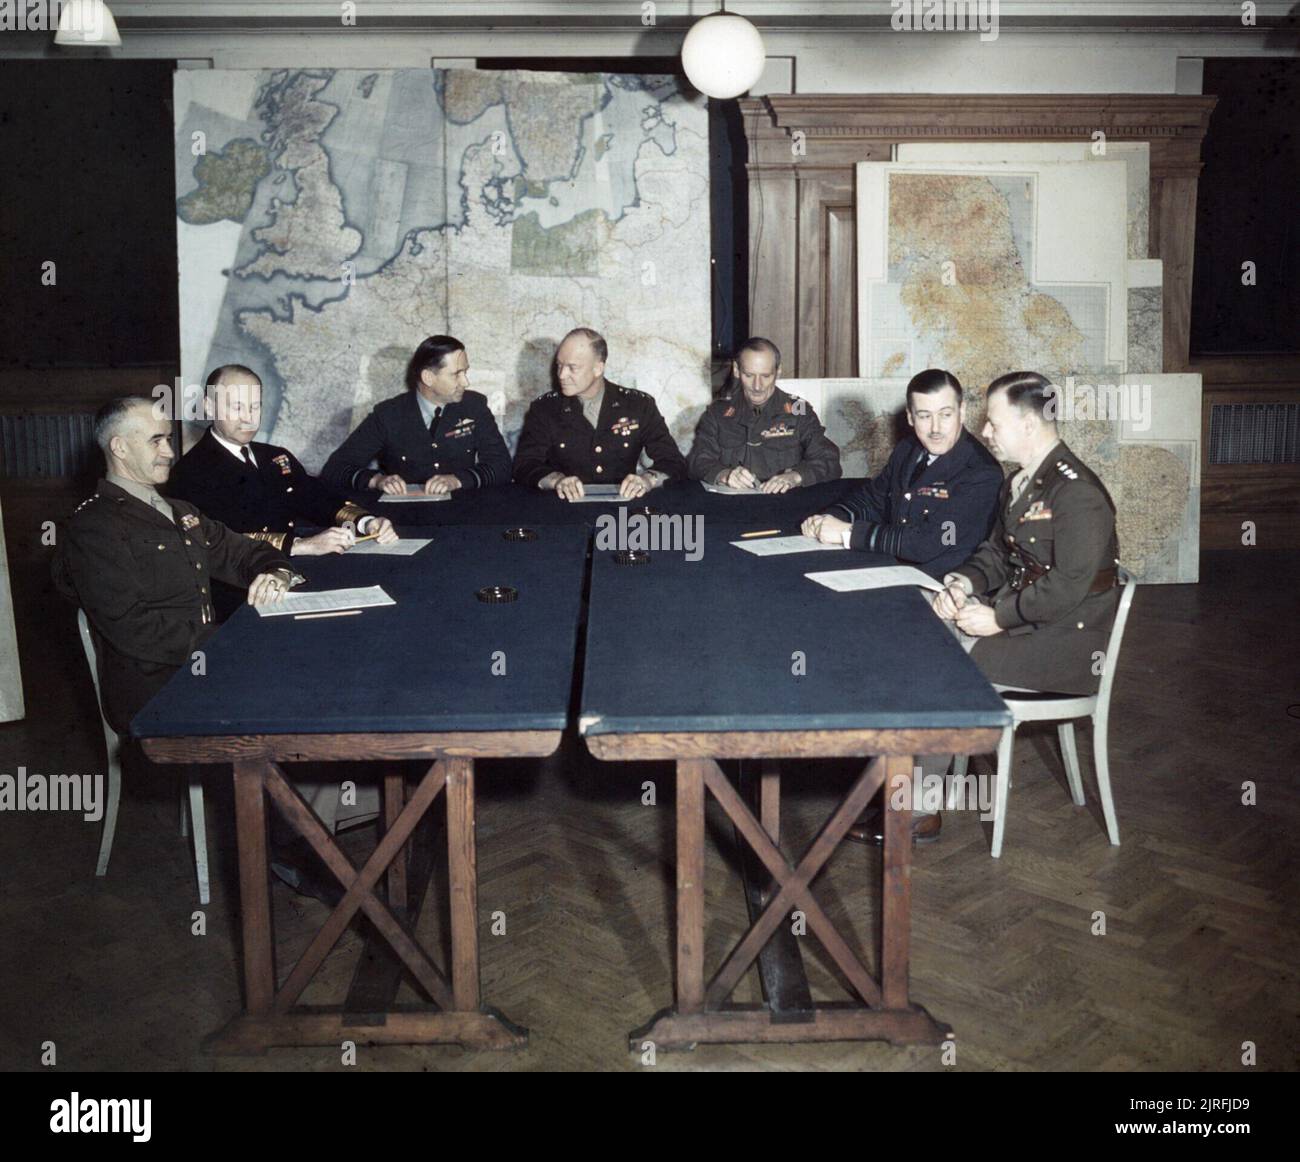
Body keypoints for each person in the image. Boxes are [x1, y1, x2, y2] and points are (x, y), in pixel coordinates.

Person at [857, 371, 1121, 846]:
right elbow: (998, 552)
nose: (987, 433)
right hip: (1031, 625)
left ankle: (920, 808)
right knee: (919, 624)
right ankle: (904, 782)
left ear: (1027, 424)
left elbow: (1067, 587)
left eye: (995, 423)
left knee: (938, 660)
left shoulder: (1076, 492)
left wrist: (997, 618)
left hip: (1068, 644)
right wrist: (964, 581)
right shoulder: (1024, 481)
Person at [52, 397, 298, 736]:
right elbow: (132, 627)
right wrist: (229, 643)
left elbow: (242, 552)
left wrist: (277, 572)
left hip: (201, 668)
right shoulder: (93, 526)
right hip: (154, 687)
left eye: (168, 439)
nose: (169, 452)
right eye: (156, 440)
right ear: (120, 447)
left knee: (294, 683)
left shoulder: (180, 510)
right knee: (283, 700)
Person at [167, 364, 398, 621]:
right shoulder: (189, 473)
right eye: (237, 407)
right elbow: (222, 542)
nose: (248, 418)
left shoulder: (274, 457)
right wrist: (301, 545)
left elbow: (316, 497)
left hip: (294, 573)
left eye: (255, 407)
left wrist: (365, 522)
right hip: (244, 591)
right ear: (209, 407)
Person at [800, 368, 1001, 578]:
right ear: (910, 417)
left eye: (945, 415)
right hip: (893, 569)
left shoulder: (981, 473)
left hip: (942, 587)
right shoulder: (908, 450)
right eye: (924, 416)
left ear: (963, 411)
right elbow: (873, 499)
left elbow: (929, 542)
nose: (935, 428)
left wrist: (846, 533)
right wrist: (829, 518)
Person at [321, 335, 512, 495]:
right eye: (456, 374)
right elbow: (335, 469)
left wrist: (457, 480)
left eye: (465, 372)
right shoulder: (388, 415)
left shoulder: (474, 406)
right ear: (428, 377)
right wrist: (377, 480)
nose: (466, 382)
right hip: (406, 519)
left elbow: (502, 466)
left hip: (462, 512)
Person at [513, 327, 687, 500]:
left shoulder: (638, 405)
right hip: (563, 511)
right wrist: (556, 480)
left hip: (622, 511)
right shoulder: (545, 409)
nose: (562, 375)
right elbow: (524, 464)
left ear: (598, 369)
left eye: (572, 368)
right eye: (559, 365)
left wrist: (647, 480)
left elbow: (673, 461)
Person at [688, 337, 841, 492]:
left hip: (786, 504)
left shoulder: (799, 411)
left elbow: (829, 460)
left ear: (778, 371)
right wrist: (725, 475)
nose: (757, 386)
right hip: (734, 506)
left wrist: (795, 477)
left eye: (766, 376)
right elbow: (697, 461)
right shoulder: (717, 414)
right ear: (736, 370)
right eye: (749, 375)